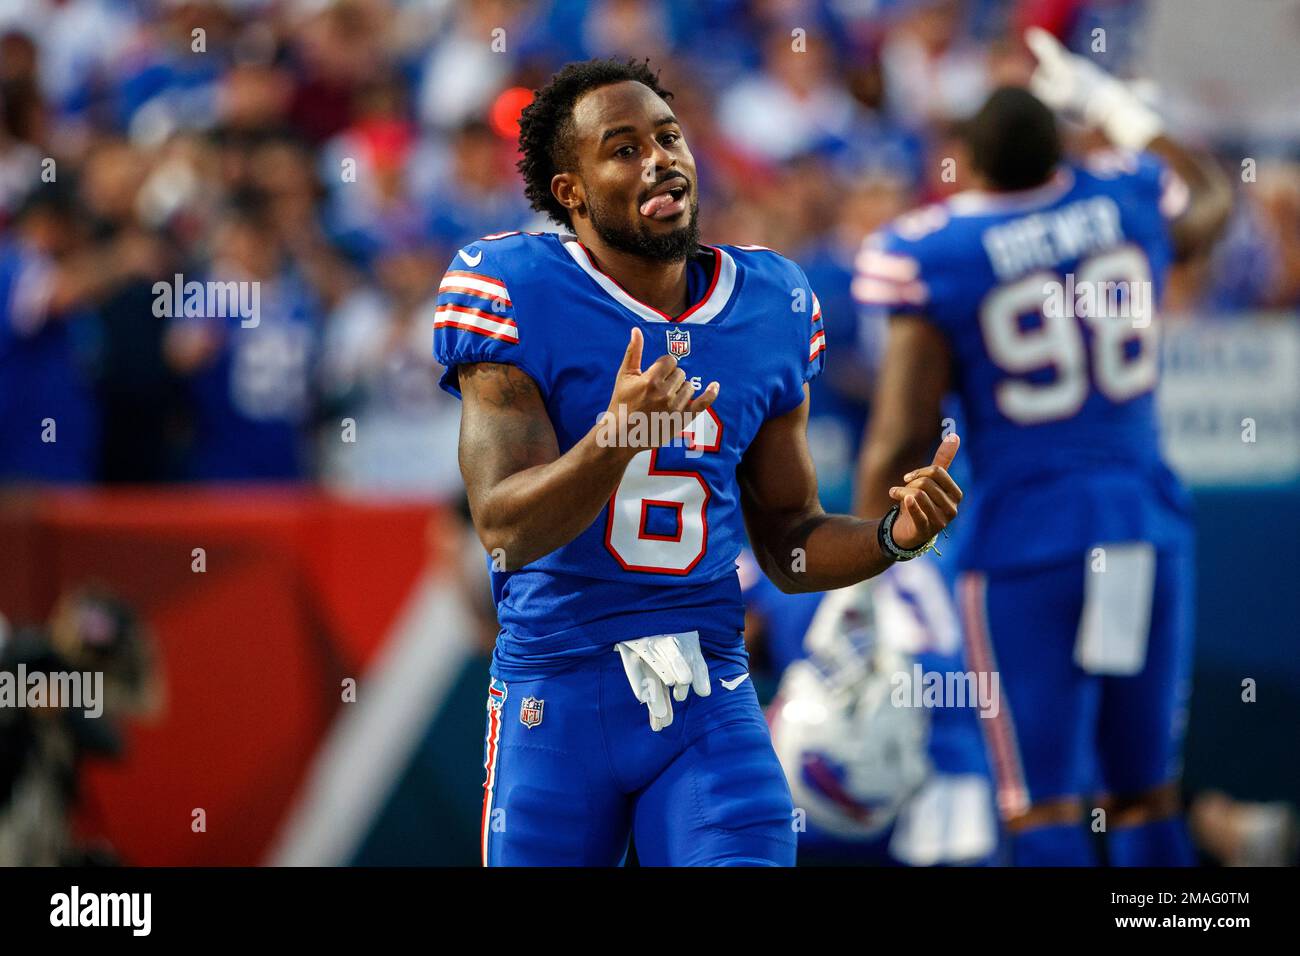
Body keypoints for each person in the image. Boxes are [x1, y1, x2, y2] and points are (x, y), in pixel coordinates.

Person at [433, 58, 963, 866]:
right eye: (623, 148)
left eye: (668, 136)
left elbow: (789, 543)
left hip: (709, 692)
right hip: (558, 694)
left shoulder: (770, 302)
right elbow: (504, 527)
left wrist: (892, 535)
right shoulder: (512, 285)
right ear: (571, 191)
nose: (660, 159)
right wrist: (616, 440)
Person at [854, 30, 1231, 866]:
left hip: (1028, 541)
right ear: (1061, 147)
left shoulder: (936, 250)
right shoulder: (1124, 200)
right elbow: (1208, 197)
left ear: (966, 161)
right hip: (1142, 524)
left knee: (1042, 800)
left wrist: (868, 556)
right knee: (1143, 795)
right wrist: (1111, 104)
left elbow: (897, 444)